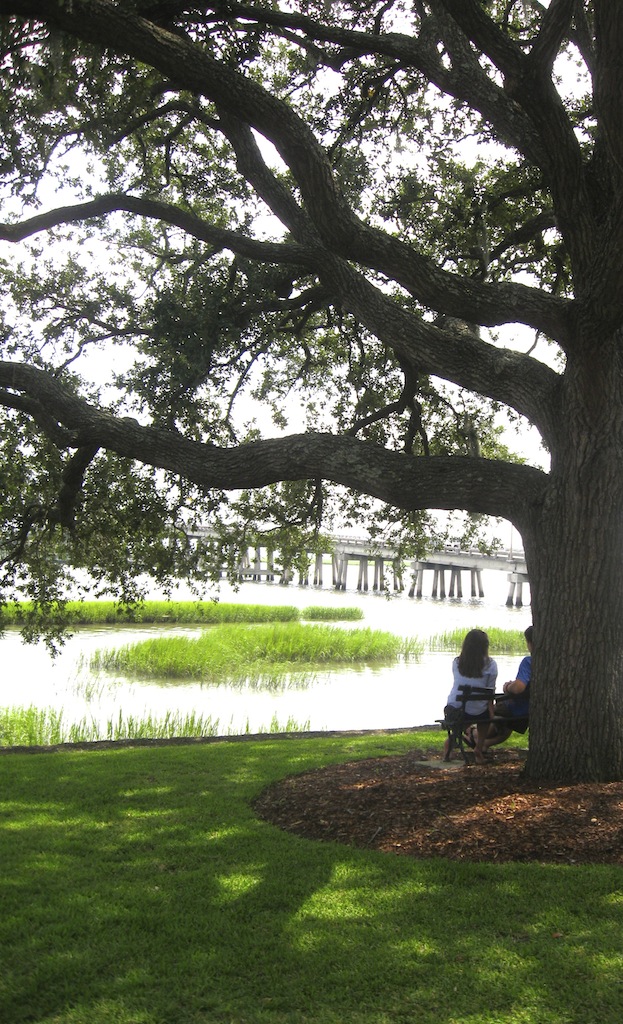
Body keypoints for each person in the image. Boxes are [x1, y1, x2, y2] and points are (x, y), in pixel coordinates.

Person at [444, 629, 497, 764]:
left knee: (463, 716)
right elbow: (490, 692)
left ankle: (452, 741)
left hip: (455, 709)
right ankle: (478, 748)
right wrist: (491, 712)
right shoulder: (491, 665)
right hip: (478, 712)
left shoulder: (456, 663)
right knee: (484, 717)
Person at [483, 624, 532, 753]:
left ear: (530, 643)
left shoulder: (529, 662)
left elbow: (519, 687)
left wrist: (508, 687)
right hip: (527, 710)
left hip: (520, 710)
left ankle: (476, 736)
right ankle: (482, 742)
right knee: (504, 718)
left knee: (500, 711)